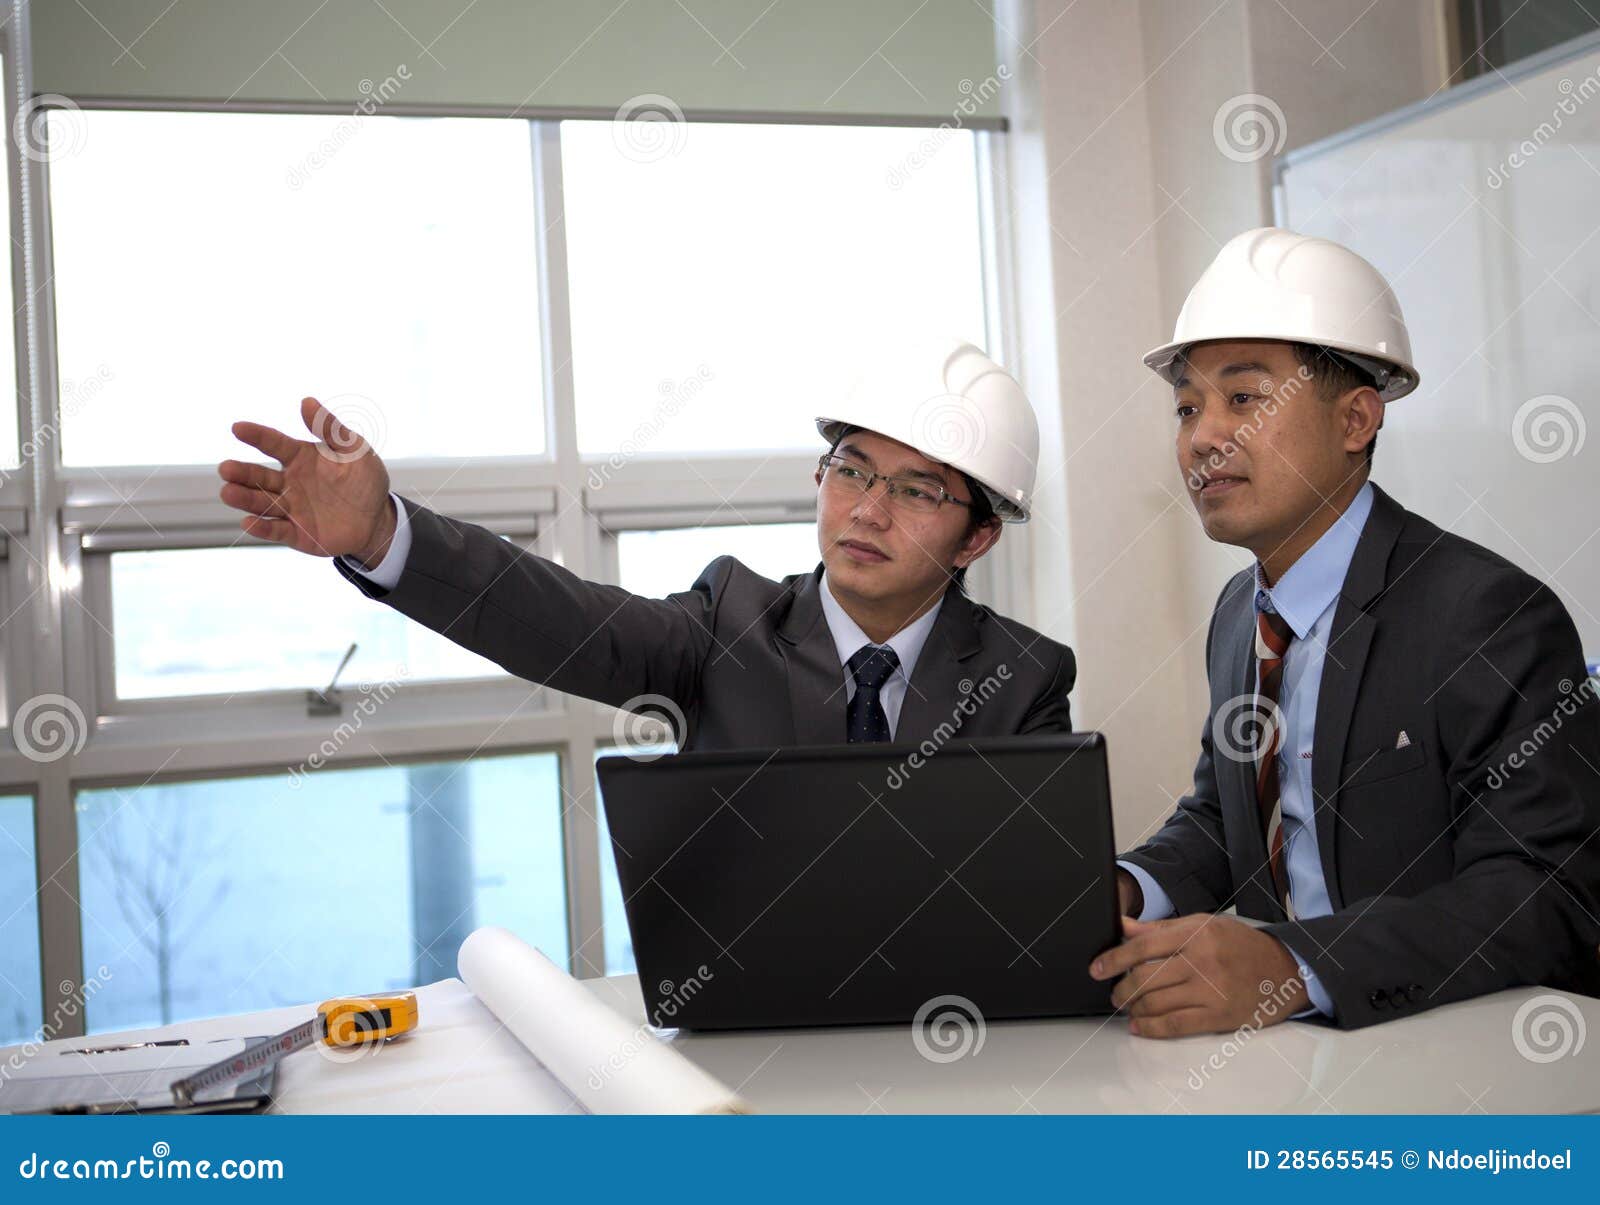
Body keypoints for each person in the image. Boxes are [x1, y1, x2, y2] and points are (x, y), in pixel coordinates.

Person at [1093, 227, 1600, 1035]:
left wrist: (1297, 966)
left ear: (1356, 418)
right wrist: (1119, 889)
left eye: (1244, 397)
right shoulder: (1240, 612)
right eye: (1187, 405)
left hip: (1446, 1061)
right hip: (1281, 1066)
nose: (1201, 436)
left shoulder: (1486, 614)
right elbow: (1228, 819)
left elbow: (1548, 890)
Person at [217, 337, 1076, 749]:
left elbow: (1027, 896)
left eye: (918, 489)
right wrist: (382, 533)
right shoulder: (728, 625)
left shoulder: (1025, 680)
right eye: (852, 469)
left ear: (978, 538)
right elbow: (557, 618)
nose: (868, 510)